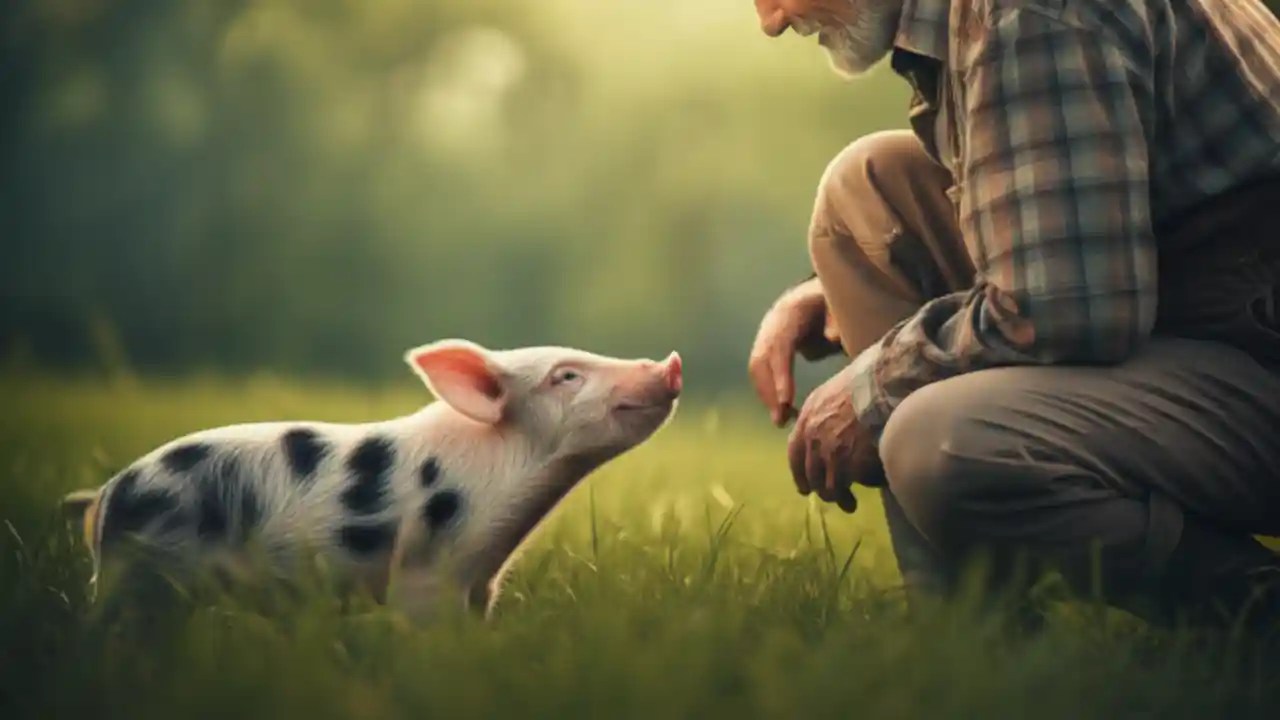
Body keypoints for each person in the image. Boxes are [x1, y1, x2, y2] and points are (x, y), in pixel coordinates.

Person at [747, 0, 1280, 627]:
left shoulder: (1029, 15)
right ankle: (966, 632)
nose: (771, 22)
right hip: (1202, 303)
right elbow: (1046, 208)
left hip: (1253, 351)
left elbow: (1061, 311)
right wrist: (829, 288)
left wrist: (873, 389)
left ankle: (1255, 619)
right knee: (865, 193)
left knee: (938, 442)